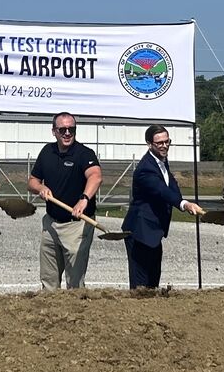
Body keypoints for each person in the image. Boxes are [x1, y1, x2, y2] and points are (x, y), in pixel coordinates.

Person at [120, 124, 202, 290]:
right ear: (149, 144)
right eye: (159, 143)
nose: (164, 146)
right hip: (140, 231)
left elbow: (171, 186)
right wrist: (183, 204)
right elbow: (161, 190)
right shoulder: (145, 169)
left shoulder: (161, 161)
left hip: (153, 232)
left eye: (167, 141)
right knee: (141, 285)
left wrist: (184, 201)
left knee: (153, 281)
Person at [27, 113, 102, 290]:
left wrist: (84, 199)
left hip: (76, 225)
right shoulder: (47, 151)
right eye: (62, 130)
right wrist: (40, 188)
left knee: (74, 283)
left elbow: (95, 176)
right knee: (48, 279)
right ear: (54, 131)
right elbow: (32, 182)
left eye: (71, 129)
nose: (67, 133)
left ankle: (75, 308)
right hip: (51, 224)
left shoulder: (84, 153)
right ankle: (50, 306)